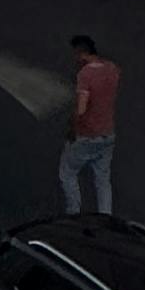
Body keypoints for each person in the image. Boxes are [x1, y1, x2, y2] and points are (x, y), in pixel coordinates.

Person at [60, 35, 121, 214]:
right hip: (108, 133)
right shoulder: (112, 69)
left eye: (76, 54)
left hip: (86, 135)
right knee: (102, 179)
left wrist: (72, 128)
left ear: (82, 52)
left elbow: (81, 109)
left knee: (68, 173)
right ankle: (105, 216)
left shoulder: (85, 75)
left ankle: (74, 213)